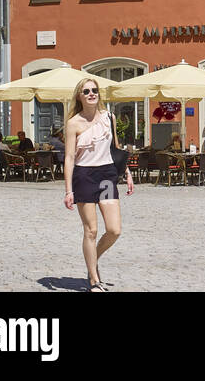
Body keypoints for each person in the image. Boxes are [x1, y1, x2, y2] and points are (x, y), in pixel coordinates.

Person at [64, 77, 134, 292]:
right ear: (79, 96)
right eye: (86, 91)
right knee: (91, 231)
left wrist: (128, 173)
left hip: (106, 175)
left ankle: (93, 260)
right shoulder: (73, 123)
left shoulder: (108, 117)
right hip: (84, 176)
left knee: (114, 230)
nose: (91, 93)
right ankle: (94, 280)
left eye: (94, 90)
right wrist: (68, 190)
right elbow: (69, 158)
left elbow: (116, 148)